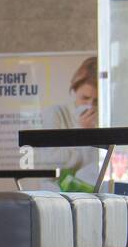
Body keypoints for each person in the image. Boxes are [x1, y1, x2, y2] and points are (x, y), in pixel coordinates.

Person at [36, 56, 103, 192]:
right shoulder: (56, 114)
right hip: (57, 194)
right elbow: (49, 162)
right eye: (85, 98)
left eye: (96, 101)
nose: (90, 105)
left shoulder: (104, 118)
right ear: (74, 91)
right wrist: (80, 131)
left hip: (95, 193)